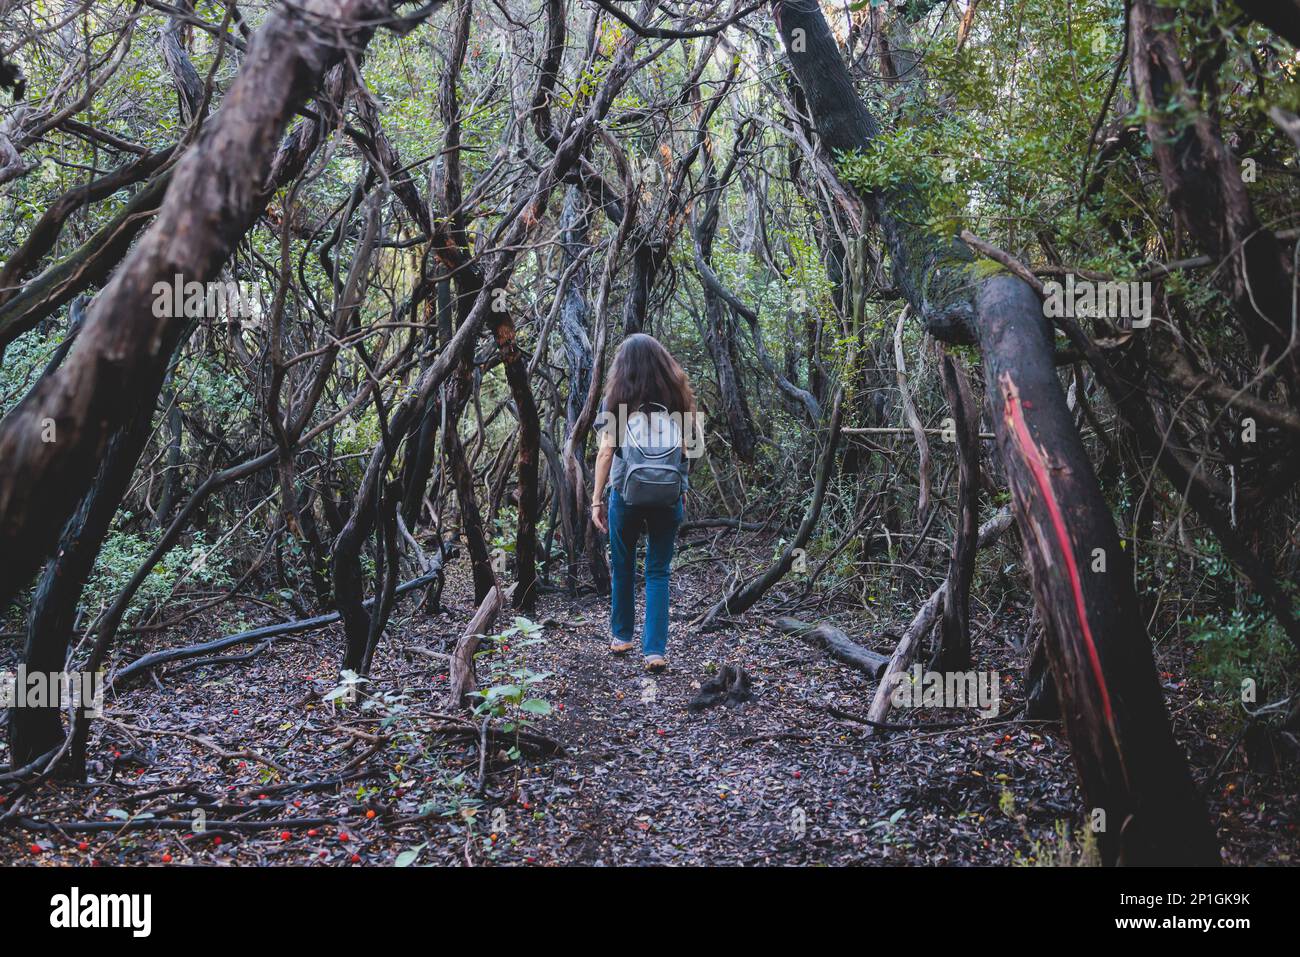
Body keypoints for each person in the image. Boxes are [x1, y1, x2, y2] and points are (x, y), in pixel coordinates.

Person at [590, 334, 696, 673]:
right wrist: (678, 482)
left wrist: (595, 500)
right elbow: (690, 449)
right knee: (658, 570)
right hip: (668, 496)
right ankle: (655, 651)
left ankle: (622, 637)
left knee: (622, 564)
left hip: (625, 493)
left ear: (623, 367)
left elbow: (606, 452)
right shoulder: (679, 397)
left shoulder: (618, 399)